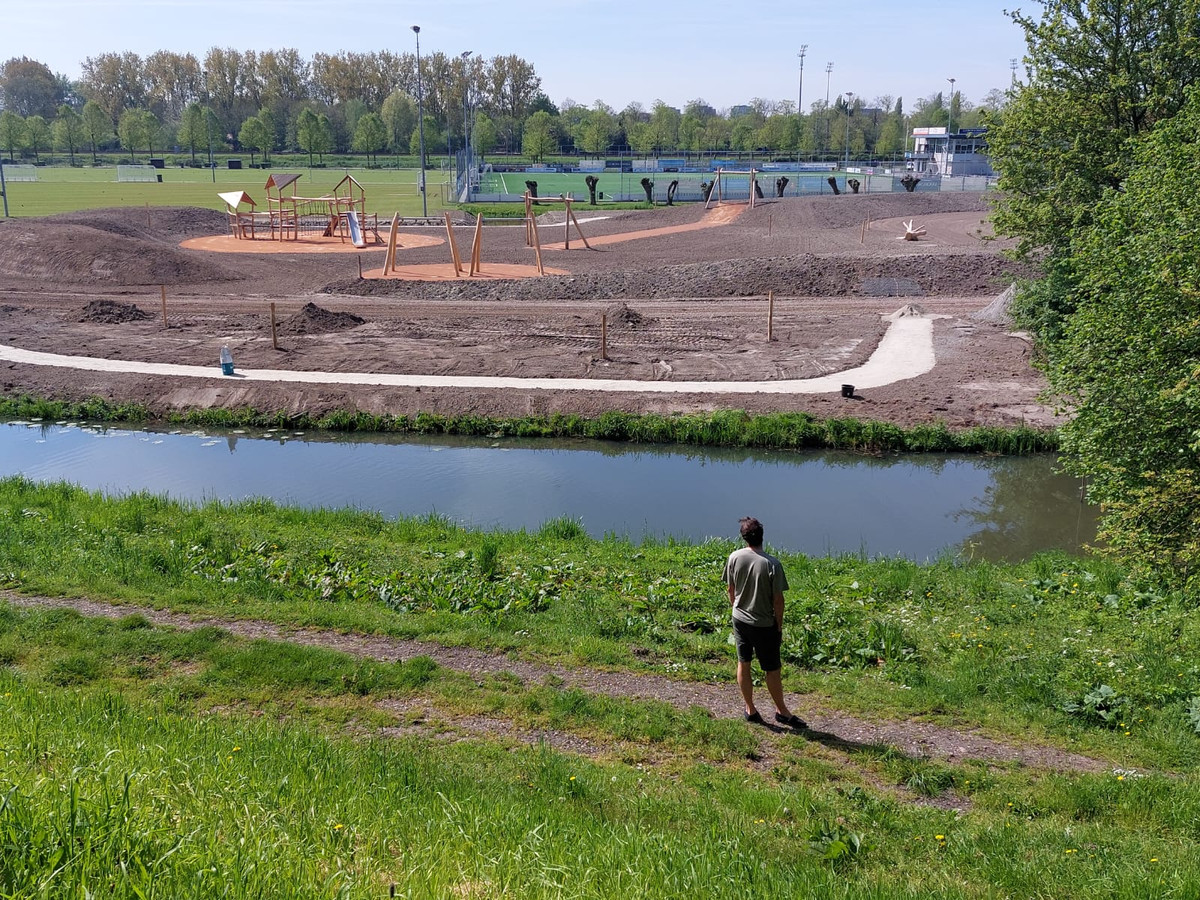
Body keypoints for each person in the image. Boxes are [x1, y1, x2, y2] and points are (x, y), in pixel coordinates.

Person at [722, 516, 806, 729]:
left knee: (744, 663)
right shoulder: (772, 564)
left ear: (743, 537)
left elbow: (731, 590)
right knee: (772, 669)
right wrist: (779, 625)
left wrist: (736, 608)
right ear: (761, 536)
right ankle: (782, 711)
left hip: (739, 618)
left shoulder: (734, 557)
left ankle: (750, 708)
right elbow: (778, 601)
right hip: (763, 624)